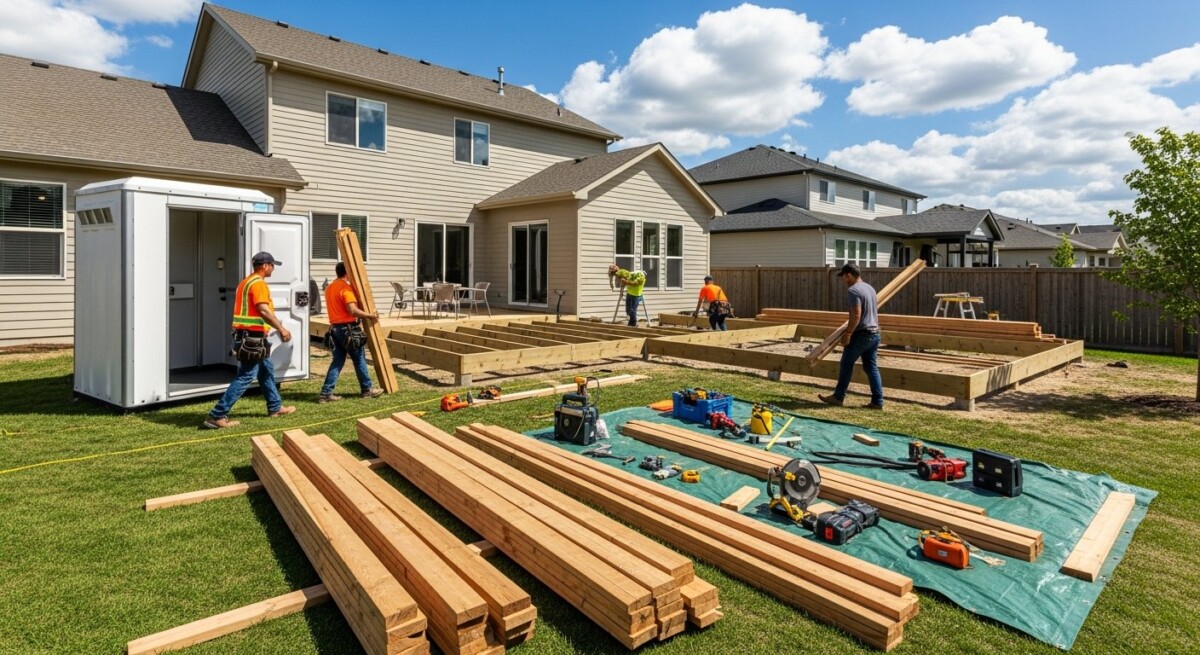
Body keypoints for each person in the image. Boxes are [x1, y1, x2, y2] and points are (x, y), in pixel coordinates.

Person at [203, 252, 296, 429]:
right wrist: (281, 329)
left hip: (249, 338)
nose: (273, 269)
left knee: (266, 371)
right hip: (252, 339)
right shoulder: (259, 284)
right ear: (266, 266)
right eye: (273, 266)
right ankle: (217, 415)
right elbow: (263, 310)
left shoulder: (245, 283)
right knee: (246, 376)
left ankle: (275, 407)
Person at [819, 263, 884, 410]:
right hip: (875, 333)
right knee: (871, 367)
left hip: (861, 334)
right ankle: (877, 401)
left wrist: (848, 333)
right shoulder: (870, 288)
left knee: (846, 364)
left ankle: (838, 396)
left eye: (844, 277)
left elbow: (856, 314)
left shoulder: (853, 291)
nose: (843, 280)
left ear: (849, 275)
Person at [319, 262, 385, 403]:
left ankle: (325, 394)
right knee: (359, 358)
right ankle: (367, 389)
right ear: (347, 272)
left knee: (337, 361)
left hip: (334, 329)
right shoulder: (345, 288)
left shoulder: (330, 288)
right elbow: (352, 310)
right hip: (348, 329)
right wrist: (370, 315)